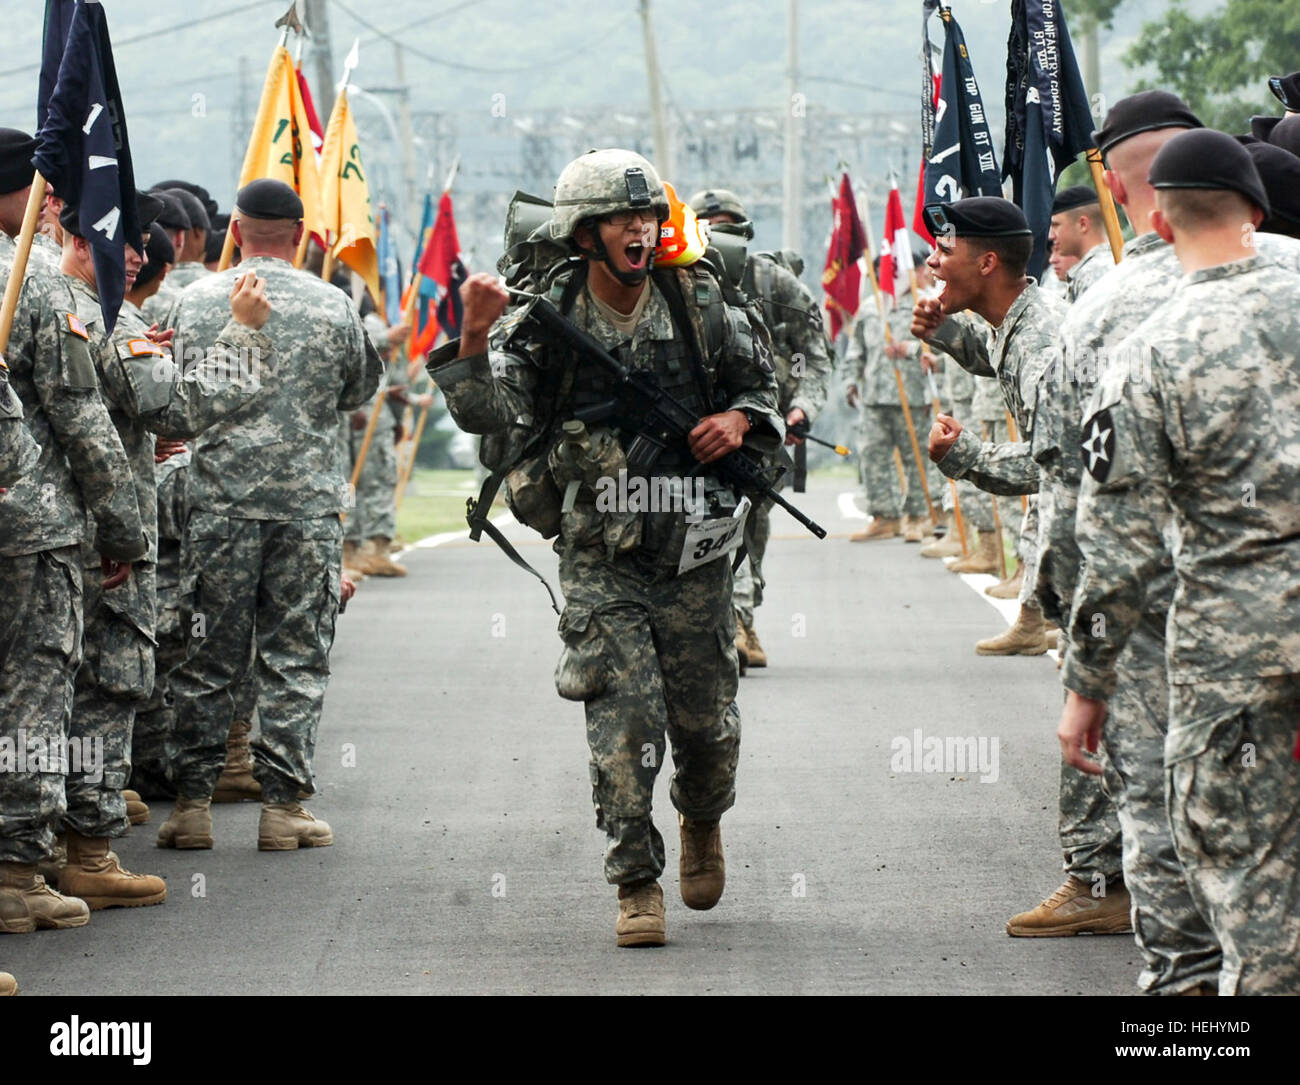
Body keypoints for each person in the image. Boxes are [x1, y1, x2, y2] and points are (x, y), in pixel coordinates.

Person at [428, 149, 781, 947]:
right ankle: (634, 880)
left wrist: (740, 421)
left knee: (706, 730)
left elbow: (765, 398)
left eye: (649, 215)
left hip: (692, 557)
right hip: (600, 558)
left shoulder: (702, 303)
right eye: (623, 218)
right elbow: (488, 420)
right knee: (623, 724)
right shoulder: (541, 322)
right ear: (583, 234)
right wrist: (474, 333)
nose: (641, 229)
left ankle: (702, 820)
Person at [926, 96, 1232, 993]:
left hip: (1140, 586)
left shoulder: (1092, 317)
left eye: (946, 248)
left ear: (1121, 186)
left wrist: (1062, 608)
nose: (936, 260)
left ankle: (1129, 920)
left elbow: (1067, 478)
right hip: (1240, 597)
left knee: (1141, 770)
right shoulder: (1280, 281)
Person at [1060, 128, 1300, 995]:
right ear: (1262, 213)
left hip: (1231, 651)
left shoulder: (1149, 351)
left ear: (1156, 222)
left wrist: (1087, 685)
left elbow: (1116, 544)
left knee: (1247, 873)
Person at [57, 191, 271, 907]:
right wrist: (242, 335)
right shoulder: (105, 316)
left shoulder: (34, 294)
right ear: (82, 240)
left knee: (47, 693)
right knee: (105, 683)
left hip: (55, 529)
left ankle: (50, 844)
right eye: (126, 241)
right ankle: (86, 848)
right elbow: (178, 408)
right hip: (100, 536)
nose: (142, 257)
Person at [156, 179, 381, 852]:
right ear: (302, 233)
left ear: (238, 231)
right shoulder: (333, 303)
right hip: (305, 508)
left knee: (205, 656)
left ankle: (191, 805)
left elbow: (174, 400)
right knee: (296, 657)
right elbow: (359, 387)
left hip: (218, 505)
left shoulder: (196, 303)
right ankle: (283, 807)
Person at [0, 134, 147, 939]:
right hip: (30, 527)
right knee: (30, 697)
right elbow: (81, 415)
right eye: (41, 189)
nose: (51, 204)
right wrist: (122, 526)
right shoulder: (30, 283)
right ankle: (16, 871)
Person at [912, 197, 1064, 656]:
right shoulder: (1015, 321)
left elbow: (1057, 463)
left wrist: (964, 455)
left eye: (944, 251)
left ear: (987, 263)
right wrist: (943, 330)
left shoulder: (1042, 344)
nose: (932, 261)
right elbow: (991, 357)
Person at [687, 187, 832, 667]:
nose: (719, 237)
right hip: (697, 432)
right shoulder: (677, 278)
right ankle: (718, 626)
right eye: (710, 228)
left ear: (745, 235)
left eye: (729, 227)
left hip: (765, 432)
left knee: (752, 526)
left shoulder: (775, 284)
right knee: (705, 522)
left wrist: (802, 410)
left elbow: (814, 354)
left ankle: (741, 622)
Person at [844, 262, 939, 543]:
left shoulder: (925, 305)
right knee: (873, 457)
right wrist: (851, 381)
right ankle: (885, 517)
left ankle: (917, 517)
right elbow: (856, 349)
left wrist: (909, 351)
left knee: (916, 459)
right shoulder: (871, 308)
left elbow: (935, 350)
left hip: (912, 396)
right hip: (875, 396)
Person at [1048, 185, 1115, 302]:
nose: (1051, 236)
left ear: (1082, 224)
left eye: (1056, 225)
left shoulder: (1093, 274)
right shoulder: (1113, 261)